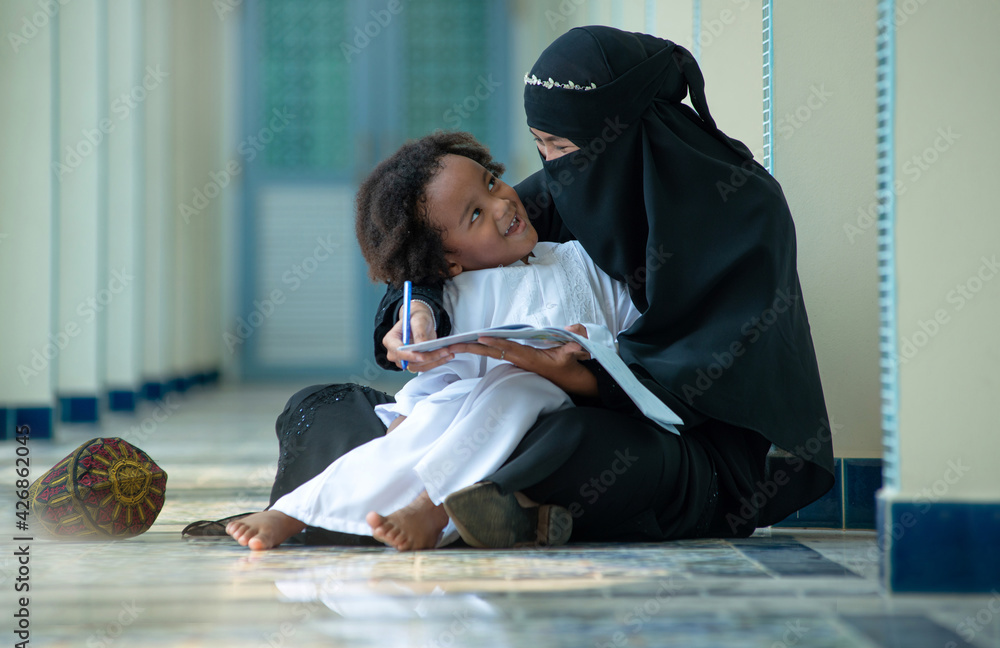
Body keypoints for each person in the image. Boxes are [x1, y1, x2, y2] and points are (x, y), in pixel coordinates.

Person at [257, 25, 834, 548]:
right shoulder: (562, 188)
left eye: (562, 147)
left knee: (578, 441)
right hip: (500, 413)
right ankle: (505, 507)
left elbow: (700, 384)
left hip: (685, 452)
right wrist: (418, 315)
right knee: (320, 408)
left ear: (631, 133)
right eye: (541, 146)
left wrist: (566, 370)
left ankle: (470, 503)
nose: (549, 170)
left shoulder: (741, 214)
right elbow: (435, 254)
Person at [227, 132, 654, 551]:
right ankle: (297, 511)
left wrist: (592, 344)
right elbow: (438, 378)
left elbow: (637, 334)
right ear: (449, 261)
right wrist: (410, 391)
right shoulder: (450, 294)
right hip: (463, 414)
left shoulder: (581, 258)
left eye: (491, 182)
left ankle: (430, 507)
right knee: (424, 424)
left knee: (517, 384)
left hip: (560, 412)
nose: (502, 203)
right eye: (475, 215)